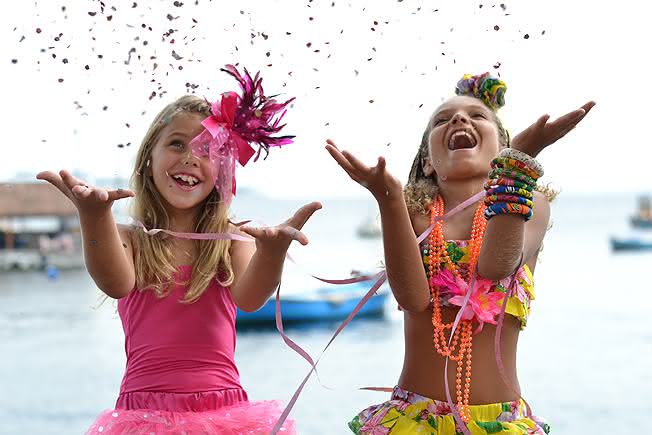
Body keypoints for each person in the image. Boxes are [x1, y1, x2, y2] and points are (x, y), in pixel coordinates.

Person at [38, 66, 317, 434]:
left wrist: (272, 252)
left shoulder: (232, 240)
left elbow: (251, 298)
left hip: (225, 415)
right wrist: (93, 216)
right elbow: (115, 282)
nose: (190, 157)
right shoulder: (130, 237)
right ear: (148, 158)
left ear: (223, 170)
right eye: (176, 144)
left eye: (207, 149)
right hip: (143, 416)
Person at [327, 73, 594, 434]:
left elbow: (496, 265)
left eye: (477, 115)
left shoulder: (531, 204)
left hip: (498, 422)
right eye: (441, 120)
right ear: (427, 162)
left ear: (502, 150)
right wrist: (388, 198)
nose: (458, 119)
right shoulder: (411, 210)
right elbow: (413, 298)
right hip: (414, 419)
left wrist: (518, 163)